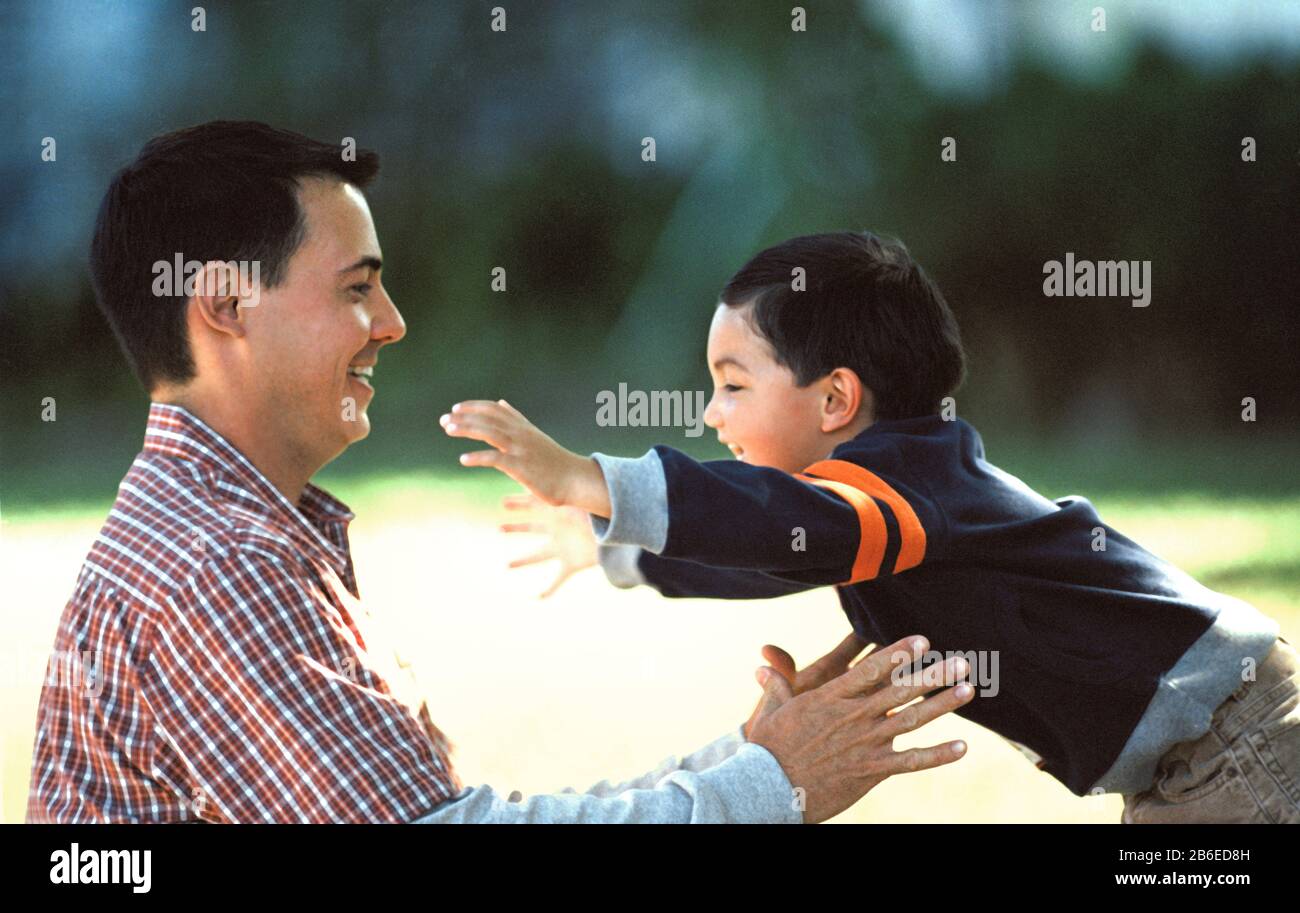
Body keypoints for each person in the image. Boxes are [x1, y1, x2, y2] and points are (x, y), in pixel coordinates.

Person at [26, 124, 972, 824]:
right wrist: (773, 783)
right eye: (357, 287)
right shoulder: (215, 562)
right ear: (225, 306)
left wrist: (758, 756)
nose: (392, 322)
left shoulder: (228, 532)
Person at [440, 231, 1300, 824]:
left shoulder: (909, 486)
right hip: (1197, 762)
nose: (712, 412)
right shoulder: (870, 510)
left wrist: (591, 479)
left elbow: (769, 527)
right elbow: (765, 553)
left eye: (734, 383)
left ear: (837, 399)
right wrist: (612, 544)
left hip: (1236, 741)